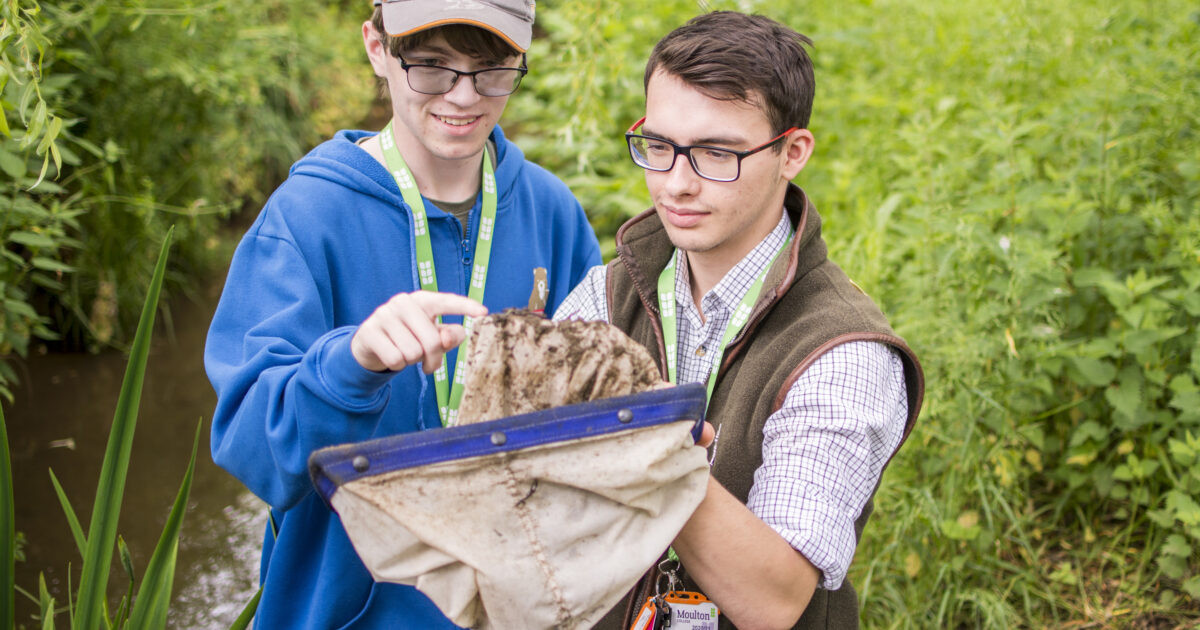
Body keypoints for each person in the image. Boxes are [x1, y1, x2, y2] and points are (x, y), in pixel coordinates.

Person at [204, 0, 601, 626]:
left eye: (491, 68)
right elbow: (251, 449)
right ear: (376, 47)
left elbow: (590, 424)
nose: (464, 96)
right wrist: (348, 367)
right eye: (433, 64)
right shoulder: (303, 218)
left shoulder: (552, 211)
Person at [553, 11, 924, 630]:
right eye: (661, 146)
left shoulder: (843, 351)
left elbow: (771, 600)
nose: (675, 183)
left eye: (716, 154)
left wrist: (653, 455)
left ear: (791, 153)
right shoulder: (606, 293)